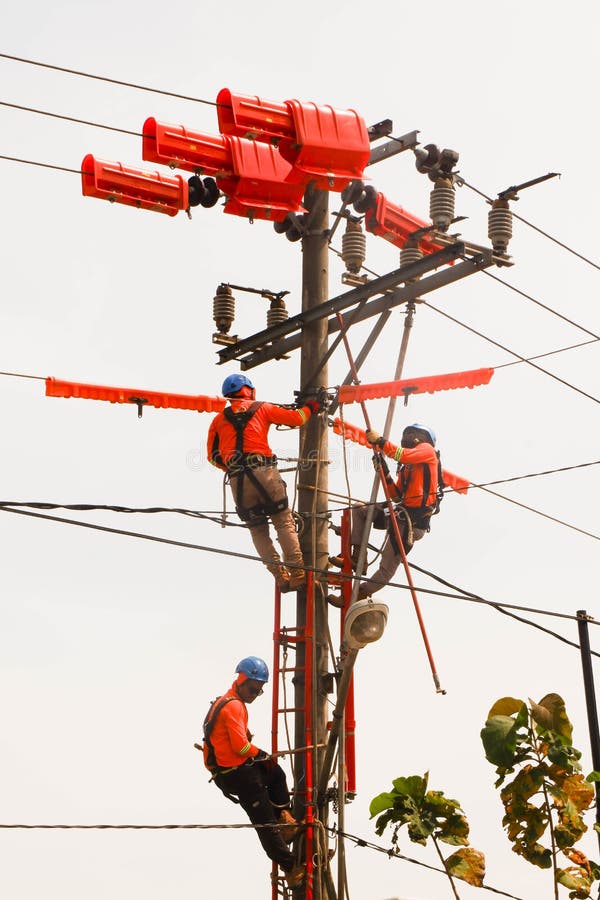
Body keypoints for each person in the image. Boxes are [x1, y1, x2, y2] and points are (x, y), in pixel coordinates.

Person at [207, 373, 321, 592]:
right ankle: (298, 574)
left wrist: (232, 467)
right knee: (283, 522)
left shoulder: (218, 421)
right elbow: (297, 418)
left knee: (257, 530)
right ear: (249, 390)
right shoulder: (262, 408)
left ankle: (280, 577)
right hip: (264, 472)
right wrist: (311, 407)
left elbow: (212, 456)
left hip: (238, 481)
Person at [202, 656, 305, 889]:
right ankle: (291, 868)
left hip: (238, 768)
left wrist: (263, 758)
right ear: (240, 680)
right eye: (252, 688)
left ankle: (285, 821)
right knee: (265, 822)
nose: (253, 695)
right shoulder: (233, 706)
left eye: (258, 691)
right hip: (234, 775)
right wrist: (260, 754)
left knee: (275, 773)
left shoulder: (229, 702)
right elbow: (241, 747)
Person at [332, 423, 441, 599]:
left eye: (413, 434)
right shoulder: (408, 467)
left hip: (412, 524)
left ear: (424, 438)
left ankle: (359, 593)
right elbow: (396, 496)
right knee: (360, 510)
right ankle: (358, 556)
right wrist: (385, 472)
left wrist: (381, 442)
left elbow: (402, 455)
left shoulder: (427, 451)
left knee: (387, 567)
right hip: (399, 513)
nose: (408, 437)